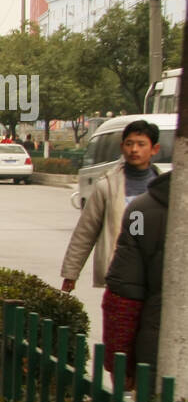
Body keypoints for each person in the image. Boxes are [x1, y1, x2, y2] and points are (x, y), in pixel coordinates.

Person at [61, 120, 163, 294]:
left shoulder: (164, 187)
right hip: (120, 276)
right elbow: (86, 231)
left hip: (156, 277)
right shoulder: (107, 186)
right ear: (122, 146)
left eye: (141, 144)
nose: (134, 150)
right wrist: (71, 272)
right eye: (129, 144)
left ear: (154, 149)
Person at [103, 171, 171, 386]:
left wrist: (120, 360)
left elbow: (124, 292)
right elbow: (125, 290)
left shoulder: (139, 210)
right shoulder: (139, 214)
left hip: (158, 354)